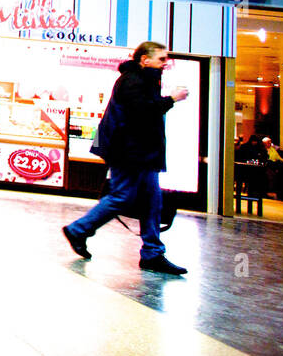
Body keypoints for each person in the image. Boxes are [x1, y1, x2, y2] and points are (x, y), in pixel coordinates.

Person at [61, 41, 190, 275]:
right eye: (161, 59)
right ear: (145, 59)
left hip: (141, 152)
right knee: (122, 196)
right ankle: (79, 230)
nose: (165, 63)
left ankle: (152, 252)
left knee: (152, 201)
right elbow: (143, 112)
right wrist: (171, 99)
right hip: (129, 152)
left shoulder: (144, 79)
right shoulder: (133, 80)